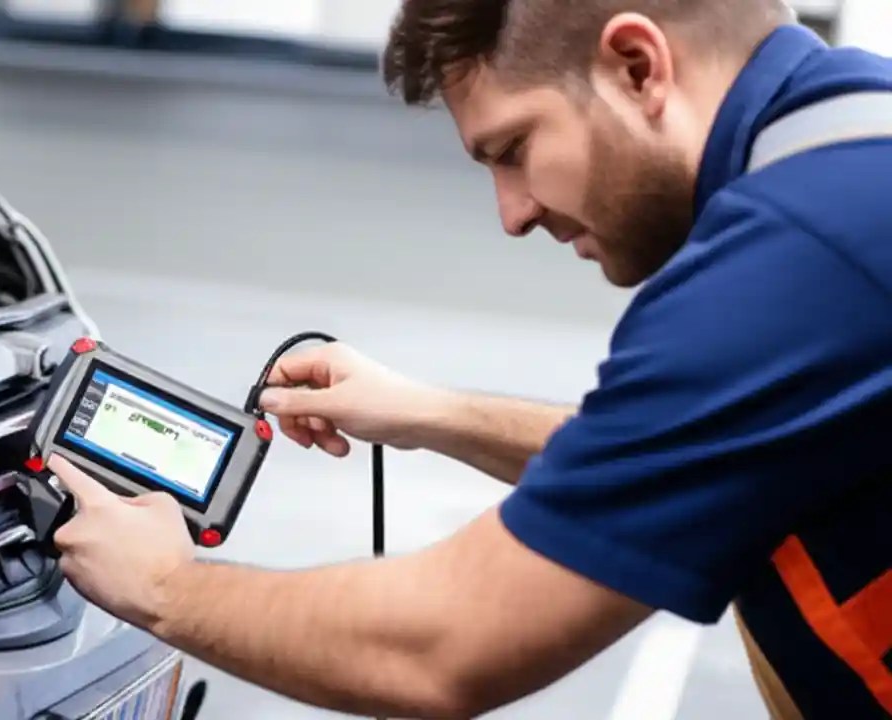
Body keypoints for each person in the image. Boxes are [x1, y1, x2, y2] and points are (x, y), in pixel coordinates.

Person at [47, 1, 892, 718]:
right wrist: (429, 415)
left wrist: (163, 585)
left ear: (638, 67)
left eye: (513, 148)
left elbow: (444, 649)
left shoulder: (796, 252)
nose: (512, 215)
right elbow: (691, 443)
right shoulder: (847, 149)